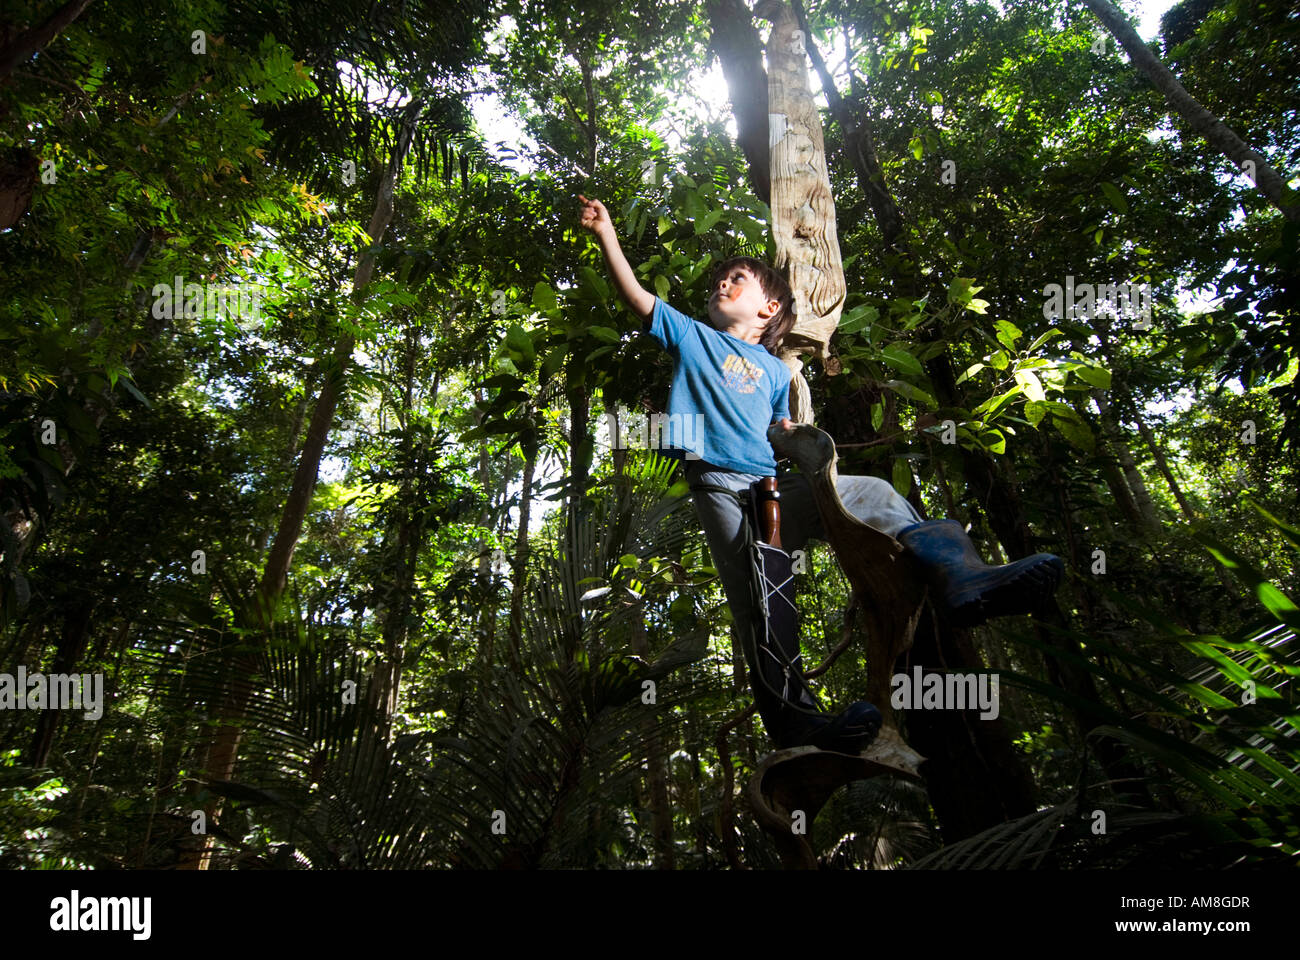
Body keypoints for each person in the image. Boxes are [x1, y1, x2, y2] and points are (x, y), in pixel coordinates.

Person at [578, 194, 1064, 753]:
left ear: (768, 309)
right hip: (718, 485)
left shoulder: (773, 369)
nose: (721, 285)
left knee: (872, 491)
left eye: (736, 279)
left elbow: (778, 430)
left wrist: (797, 438)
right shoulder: (694, 337)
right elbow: (638, 298)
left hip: (771, 490)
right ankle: (798, 725)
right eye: (720, 281)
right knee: (762, 601)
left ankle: (962, 576)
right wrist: (606, 235)